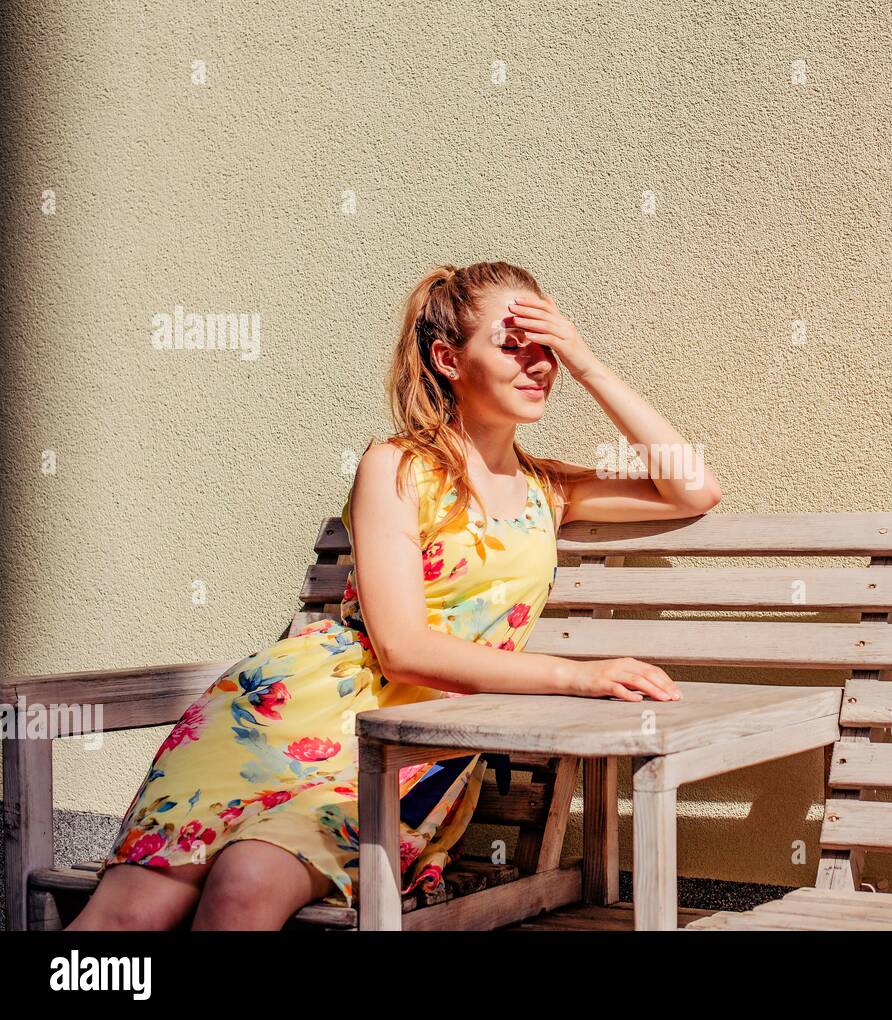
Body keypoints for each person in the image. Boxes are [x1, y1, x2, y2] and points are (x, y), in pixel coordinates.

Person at [69, 260, 722, 930]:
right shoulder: (397, 467)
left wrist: (585, 362)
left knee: (243, 892)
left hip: (404, 749)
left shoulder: (548, 491)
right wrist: (578, 678)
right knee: (127, 918)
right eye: (511, 344)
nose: (537, 364)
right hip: (281, 718)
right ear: (448, 359)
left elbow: (694, 486)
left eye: (546, 347)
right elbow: (404, 649)